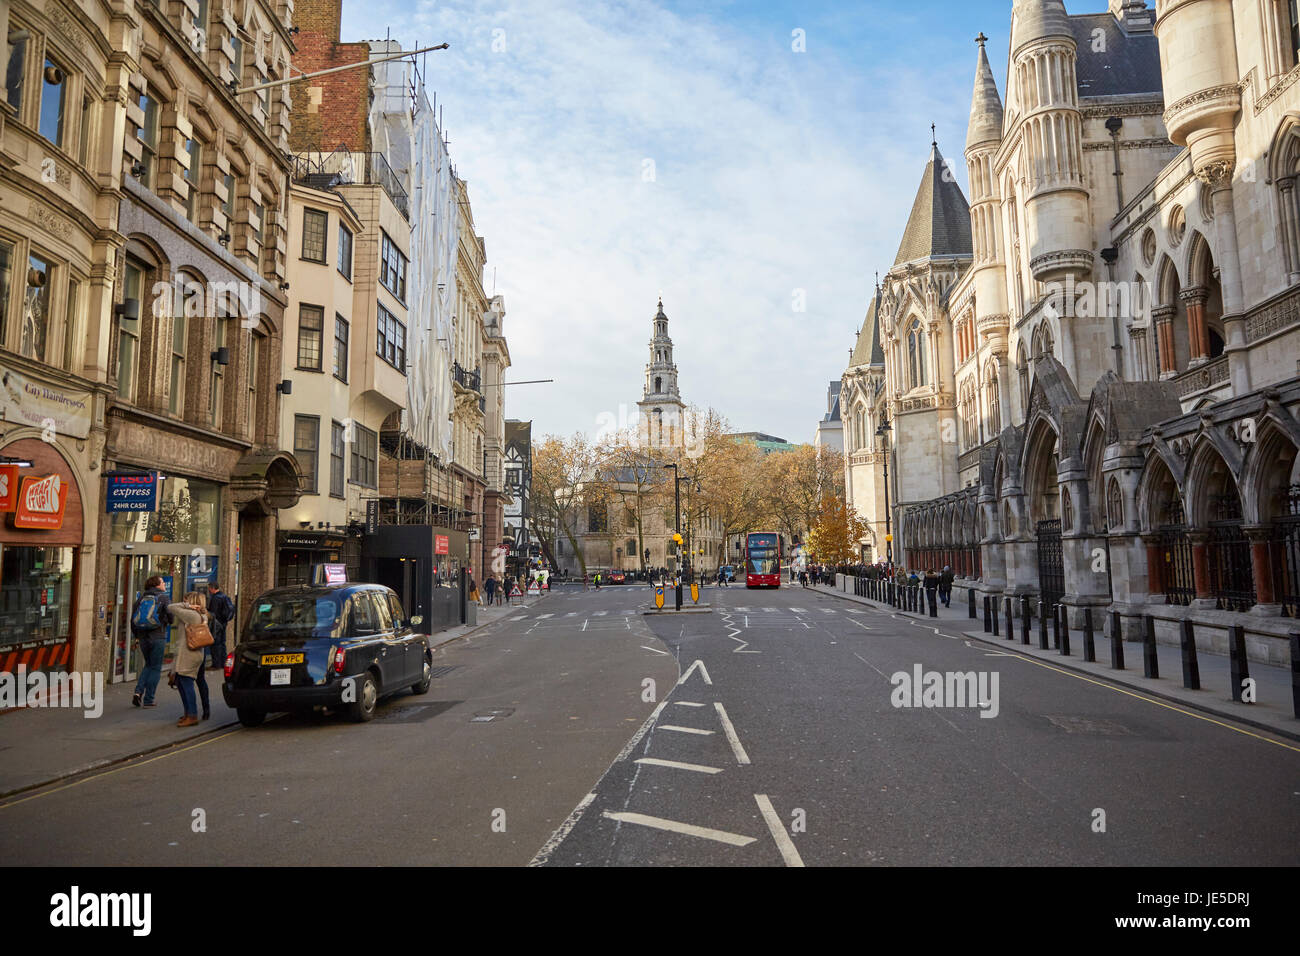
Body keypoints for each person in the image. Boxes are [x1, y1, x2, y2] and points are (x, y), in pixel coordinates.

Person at [167, 590, 211, 727]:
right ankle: (188, 713)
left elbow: (171, 607)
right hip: (193, 653)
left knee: (186, 684)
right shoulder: (202, 615)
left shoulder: (191, 615)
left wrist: (187, 606)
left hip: (188, 654)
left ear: (193, 602)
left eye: (188, 601)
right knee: (183, 683)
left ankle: (192, 715)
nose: (185, 602)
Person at [130, 576, 172, 709]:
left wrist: (137, 636)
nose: (164, 584)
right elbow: (171, 617)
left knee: (148, 665)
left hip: (143, 638)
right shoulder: (163, 598)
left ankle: (138, 692)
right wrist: (166, 621)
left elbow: (133, 621)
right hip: (158, 636)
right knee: (155, 668)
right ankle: (149, 699)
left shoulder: (141, 599)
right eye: (162, 582)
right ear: (157, 585)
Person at [206, 582, 235, 672]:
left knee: (215, 644)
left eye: (209, 588)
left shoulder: (215, 598)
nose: (208, 590)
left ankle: (216, 664)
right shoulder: (224, 596)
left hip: (216, 624)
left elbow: (213, 613)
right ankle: (223, 662)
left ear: (212, 588)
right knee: (222, 643)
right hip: (223, 623)